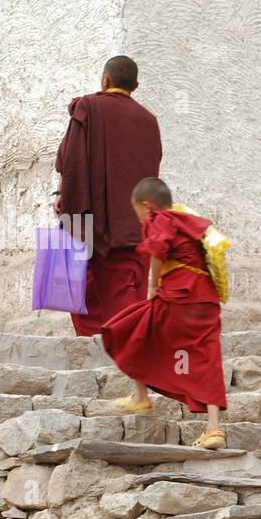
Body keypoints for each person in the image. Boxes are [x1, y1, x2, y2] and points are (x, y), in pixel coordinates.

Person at [99, 177, 226, 450]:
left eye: (138, 214)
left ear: (147, 206)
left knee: (130, 329)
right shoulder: (187, 220)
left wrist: (153, 285)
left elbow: (157, 251)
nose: (141, 219)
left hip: (178, 296)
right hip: (206, 301)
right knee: (208, 358)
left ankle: (141, 398)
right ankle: (214, 429)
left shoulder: (160, 219)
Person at [54, 55, 163, 337]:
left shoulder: (88, 106)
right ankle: (129, 347)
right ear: (135, 86)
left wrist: (65, 197)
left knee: (84, 283)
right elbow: (152, 165)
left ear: (105, 80)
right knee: (126, 289)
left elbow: (71, 159)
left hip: (90, 215)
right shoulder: (149, 120)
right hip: (132, 221)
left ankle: (96, 344)